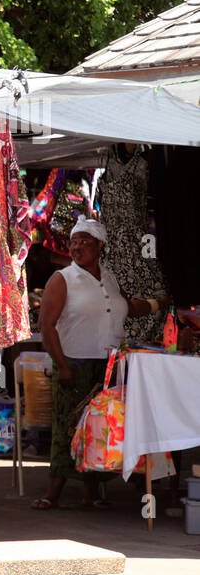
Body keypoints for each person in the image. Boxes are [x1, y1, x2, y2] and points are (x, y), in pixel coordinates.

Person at [32, 216, 169, 510]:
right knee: (67, 426)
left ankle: (91, 492)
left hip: (108, 365)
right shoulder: (62, 279)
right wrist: (63, 366)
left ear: (100, 245)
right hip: (74, 363)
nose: (77, 246)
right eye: (74, 241)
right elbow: (46, 325)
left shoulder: (108, 277)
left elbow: (129, 307)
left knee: (98, 428)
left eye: (85, 241)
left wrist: (159, 303)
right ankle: (53, 491)